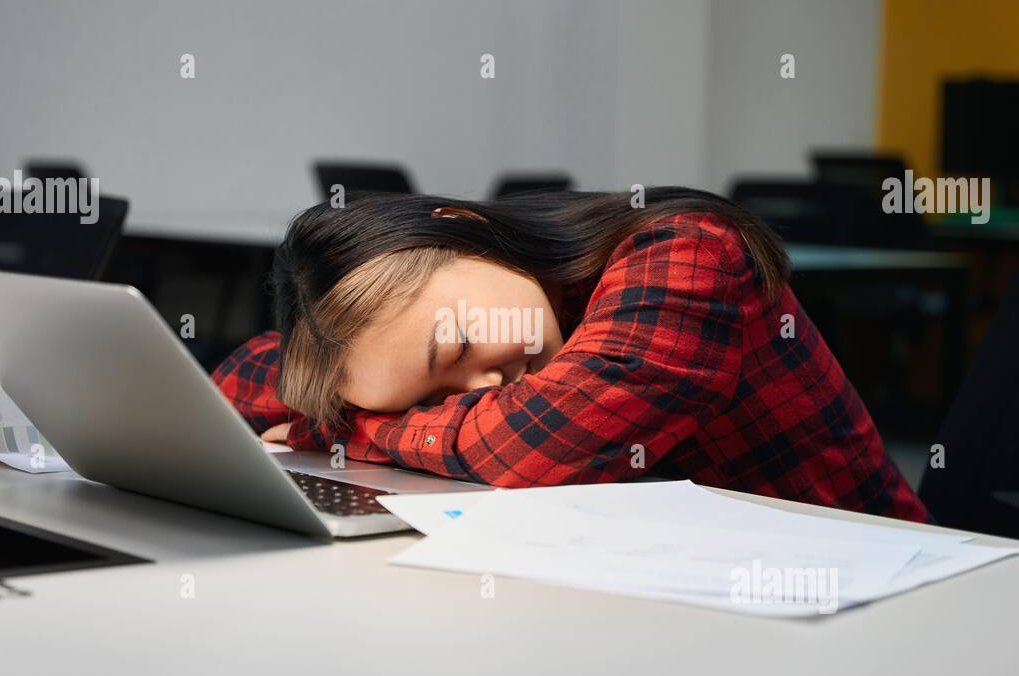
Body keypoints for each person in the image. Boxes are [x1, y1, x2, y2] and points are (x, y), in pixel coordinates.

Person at [211, 187, 930, 522]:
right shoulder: (514, 315)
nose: (482, 385)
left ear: (460, 228)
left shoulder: (686, 250)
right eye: (435, 397)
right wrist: (343, 407)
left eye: (457, 344)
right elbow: (243, 377)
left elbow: (537, 444)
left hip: (870, 586)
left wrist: (347, 431)